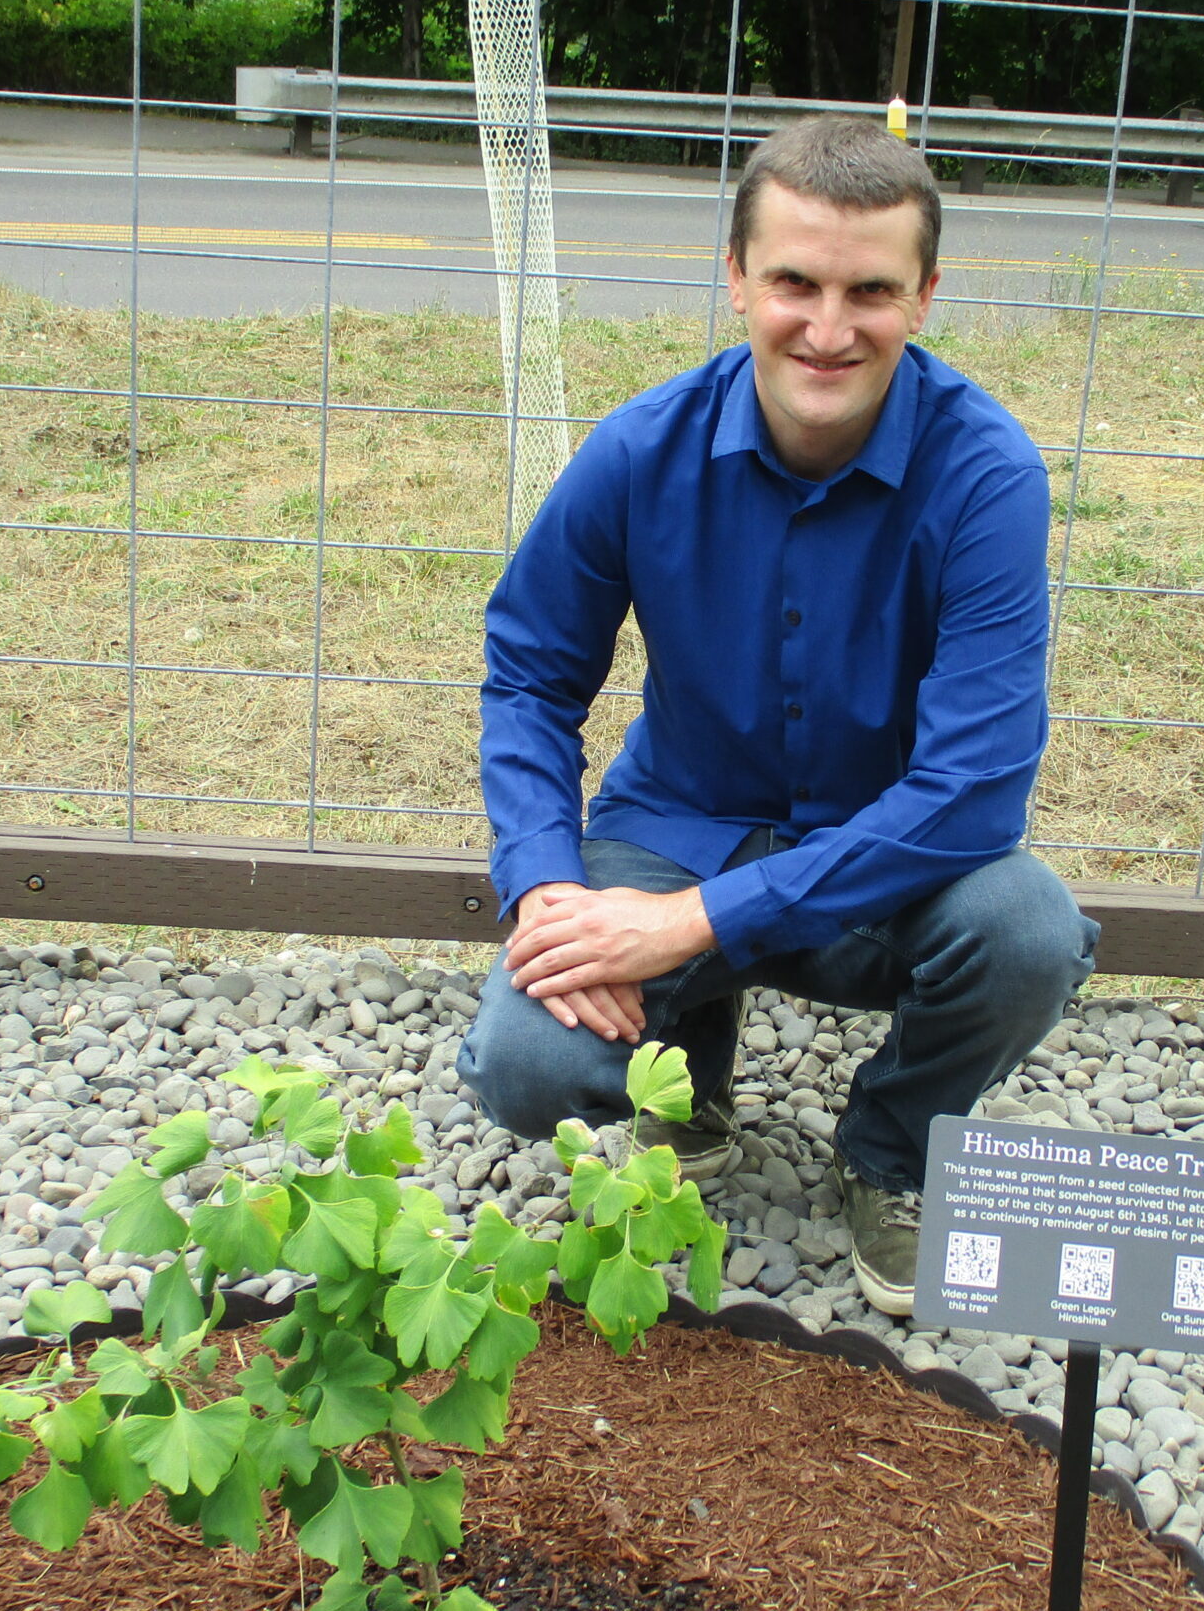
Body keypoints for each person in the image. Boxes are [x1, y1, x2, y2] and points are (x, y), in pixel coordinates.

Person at [459, 115, 1101, 1319]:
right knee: (526, 1061)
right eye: (793, 282)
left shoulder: (987, 477)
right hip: (679, 822)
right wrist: (547, 885)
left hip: (885, 855)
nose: (827, 327)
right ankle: (682, 1088)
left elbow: (970, 793)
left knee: (1026, 932)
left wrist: (684, 926)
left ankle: (894, 1150)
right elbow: (530, 675)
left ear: (924, 294)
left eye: (870, 290)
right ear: (737, 276)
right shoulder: (636, 451)